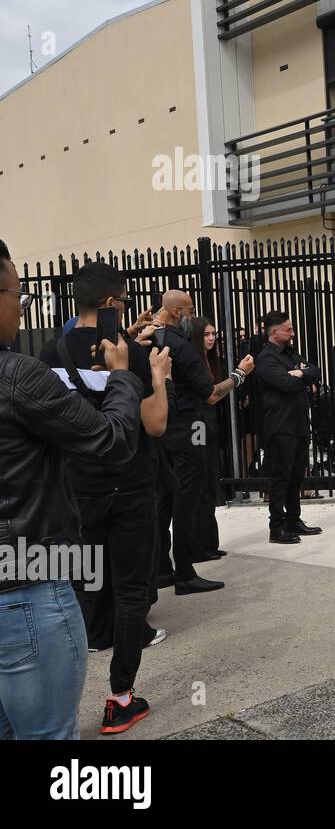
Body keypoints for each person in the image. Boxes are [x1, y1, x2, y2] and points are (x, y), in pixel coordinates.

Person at [0, 239, 144, 739]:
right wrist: (124, 378)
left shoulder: (43, 359)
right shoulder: (19, 375)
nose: (21, 309)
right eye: (18, 295)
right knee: (47, 734)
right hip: (26, 585)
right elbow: (118, 438)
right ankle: (122, 692)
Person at [37, 262, 171, 736]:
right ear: (113, 303)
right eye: (126, 300)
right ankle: (120, 698)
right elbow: (155, 424)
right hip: (131, 483)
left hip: (76, 488)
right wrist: (156, 375)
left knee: (77, 591)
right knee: (132, 592)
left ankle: (62, 702)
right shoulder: (131, 353)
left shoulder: (48, 352)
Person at [152, 290, 225, 596]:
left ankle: (160, 569)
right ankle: (184, 571)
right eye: (191, 310)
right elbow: (208, 392)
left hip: (162, 426)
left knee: (165, 500)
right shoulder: (181, 346)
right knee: (187, 498)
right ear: (179, 312)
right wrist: (240, 375)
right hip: (188, 426)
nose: (194, 316)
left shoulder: (152, 339)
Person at [255, 311, 324, 544]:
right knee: (280, 477)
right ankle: (277, 528)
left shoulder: (292, 353)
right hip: (280, 425)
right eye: (288, 329)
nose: (293, 333)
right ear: (274, 332)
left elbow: (316, 371)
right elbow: (285, 384)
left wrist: (301, 373)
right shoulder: (266, 358)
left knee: (296, 476)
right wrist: (302, 377)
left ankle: (294, 520)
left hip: (299, 422)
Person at [189, 318, 254, 560]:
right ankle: (199, 546)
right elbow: (211, 395)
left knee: (208, 486)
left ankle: (208, 544)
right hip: (197, 428)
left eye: (213, 333)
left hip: (210, 426)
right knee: (199, 485)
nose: (211, 337)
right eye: (206, 334)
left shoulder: (211, 361)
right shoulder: (193, 362)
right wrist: (239, 374)